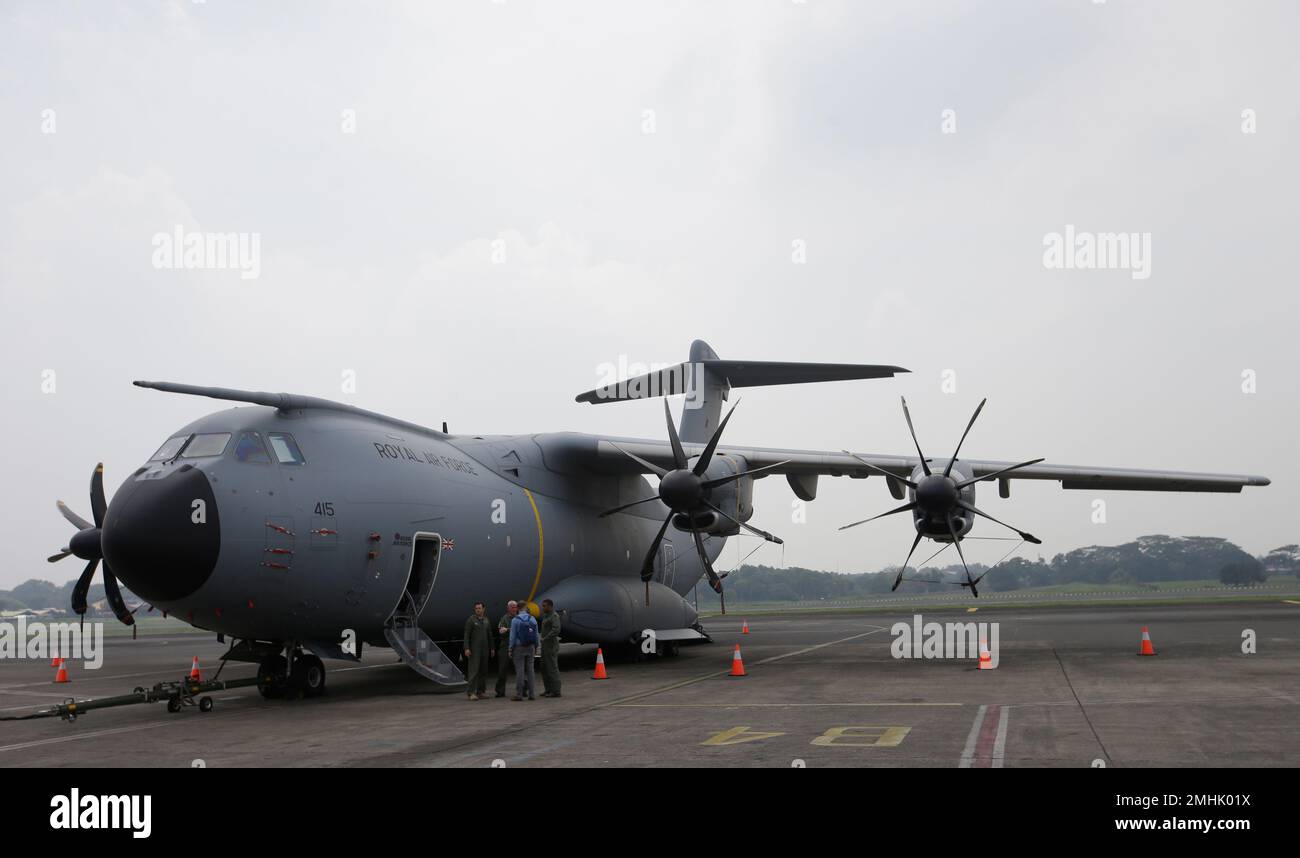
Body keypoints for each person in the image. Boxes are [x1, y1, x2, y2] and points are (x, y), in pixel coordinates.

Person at [462, 601, 494, 701]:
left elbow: (490, 634)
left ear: (483, 609)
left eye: (479, 608)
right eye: (476, 608)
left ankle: (481, 692)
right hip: (474, 650)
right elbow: (466, 635)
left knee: (483, 671)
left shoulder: (486, 620)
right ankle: (471, 692)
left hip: (485, 650)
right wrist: (466, 648)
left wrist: (492, 648)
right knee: (473, 671)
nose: (478, 610)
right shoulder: (471, 620)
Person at [508, 601, 539, 701]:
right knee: (530, 670)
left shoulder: (515, 620)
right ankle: (532, 694)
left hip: (519, 647)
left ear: (517, 608)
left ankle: (519, 694)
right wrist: (536, 646)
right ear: (526, 607)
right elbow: (536, 635)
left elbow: (512, 637)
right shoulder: (532, 619)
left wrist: (510, 649)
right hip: (531, 647)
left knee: (520, 671)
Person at [493, 600, 519, 698]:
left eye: (515, 607)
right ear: (508, 608)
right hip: (506, 645)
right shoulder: (504, 618)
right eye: (512, 607)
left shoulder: (519, 618)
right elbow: (501, 630)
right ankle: (500, 691)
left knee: (520, 669)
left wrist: (508, 629)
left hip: (517, 646)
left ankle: (523, 690)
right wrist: (509, 630)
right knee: (502, 669)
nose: (514, 609)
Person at [539, 598, 562, 698]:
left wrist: (545, 638)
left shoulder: (554, 616)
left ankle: (556, 691)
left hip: (551, 646)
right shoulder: (545, 616)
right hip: (545, 646)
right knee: (544, 668)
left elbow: (556, 630)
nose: (543, 607)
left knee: (552, 668)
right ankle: (548, 689)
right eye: (542, 606)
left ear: (550, 606)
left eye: (544, 606)